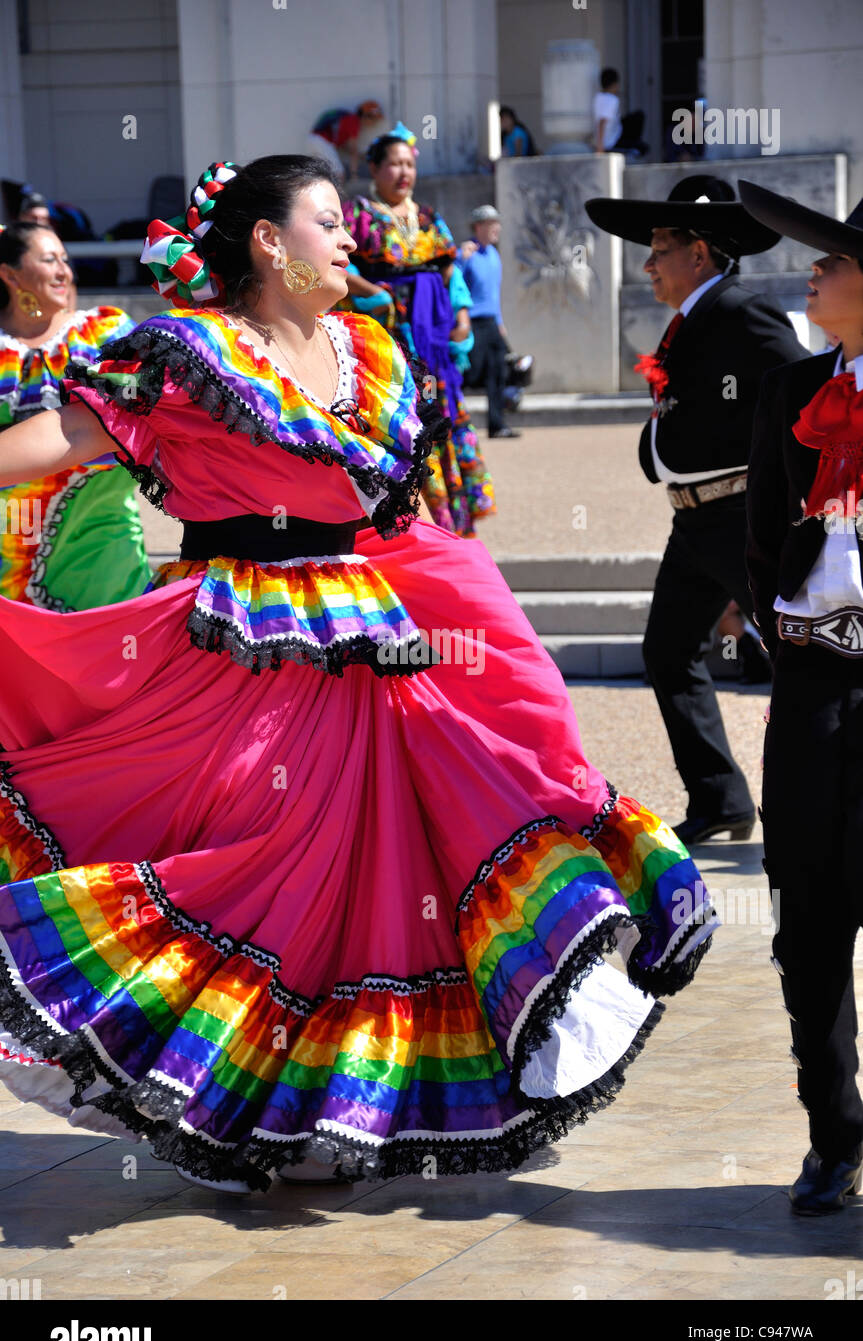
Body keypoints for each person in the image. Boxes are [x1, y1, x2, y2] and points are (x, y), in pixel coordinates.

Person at [0, 154, 717, 1195]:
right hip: (245, 653)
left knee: (392, 877)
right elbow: (62, 437)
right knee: (268, 872)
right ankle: (252, 1101)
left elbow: (405, 518)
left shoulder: (371, 353)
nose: (347, 237)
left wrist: (470, 626)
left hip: (375, 640)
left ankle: (329, 1111)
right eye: (327, 219)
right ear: (263, 241)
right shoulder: (191, 352)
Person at [585, 176, 807, 847]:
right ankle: (720, 798)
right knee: (667, 649)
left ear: (700, 253)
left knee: (803, 657)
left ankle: (817, 805)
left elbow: (802, 393)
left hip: (740, 517)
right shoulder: (693, 318)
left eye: (659, 247)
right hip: (695, 522)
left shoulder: (740, 311)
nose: (647, 263)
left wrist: (785, 496)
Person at [741, 178, 863, 1215]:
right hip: (813, 682)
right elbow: (756, 541)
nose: (810, 271)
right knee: (805, 916)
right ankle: (832, 1130)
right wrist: (784, 636)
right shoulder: (789, 392)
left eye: (829, 259)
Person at [342, 128, 495, 534]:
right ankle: (407, 517)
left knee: (436, 409)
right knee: (399, 414)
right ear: (374, 168)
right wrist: (370, 290)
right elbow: (338, 263)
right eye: (394, 163)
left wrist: (462, 317)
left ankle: (450, 520)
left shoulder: (429, 217)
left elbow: (449, 271)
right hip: (386, 333)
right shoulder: (356, 214)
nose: (403, 171)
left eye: (409, 163)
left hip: (433, 335)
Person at [0, 220, 150, 609]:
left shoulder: (103, 332)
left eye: (65, 259)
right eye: (50, 259)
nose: (64, 270)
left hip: (102, 542)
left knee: (111, 654)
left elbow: (142, 414)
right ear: (9, 274)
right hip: (10, 548)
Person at [459, 204, 519, 440]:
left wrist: (500, 323)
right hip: (472, 324)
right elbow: (454, 287)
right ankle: (454, 424)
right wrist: (460, 261)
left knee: (499, 373)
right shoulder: (466, 254)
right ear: (478, 226)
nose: (497, 228)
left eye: (498, 223)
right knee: (467, 375)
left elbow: (493, 294)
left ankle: (497, 425)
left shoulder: (494, 255)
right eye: (492, 223)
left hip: (492, 323)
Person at [308, 100, 384, 179]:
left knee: (320, 175)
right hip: (322, 140)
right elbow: (353, 152)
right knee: (339, 174)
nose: (375, 122)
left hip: (313, 140)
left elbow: (347, 148)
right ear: (366, 116)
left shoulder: (348, 119)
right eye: (375, 119)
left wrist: (360, 156)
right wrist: (354, 174)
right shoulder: (354, 122)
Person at [593, 68, 648, 159]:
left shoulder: (598, 97)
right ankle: (634, 149)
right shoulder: (612, 99)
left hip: (609, 137)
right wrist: (600, 147)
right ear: (615, 84)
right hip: (612, 141)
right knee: (639, 117)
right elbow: (602, 122)